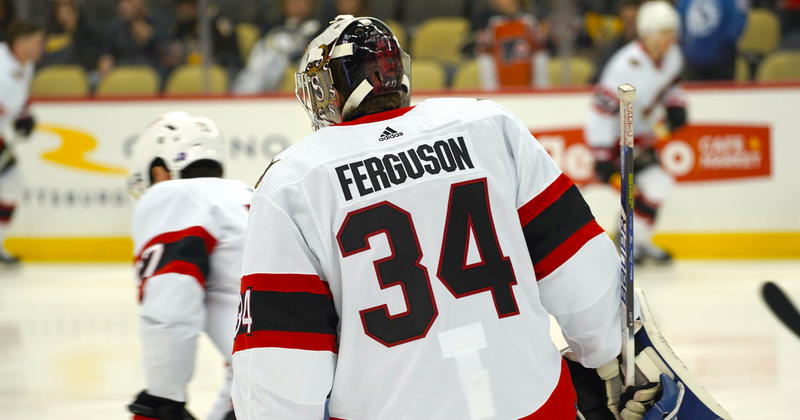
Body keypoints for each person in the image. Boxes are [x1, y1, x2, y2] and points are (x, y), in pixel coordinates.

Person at [230, 14, 672, 420]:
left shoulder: (293, 180)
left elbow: (281, 362)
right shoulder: (487, 124)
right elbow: (577, 265)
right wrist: (607, 355)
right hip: (534, 403)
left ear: (327, 92)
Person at [126, 112, 249, 420]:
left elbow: (171, 300)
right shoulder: (251, 194)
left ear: (159, 172)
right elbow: (249, 372)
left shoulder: (171, 196)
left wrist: (163, 396)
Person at [585, 0, 687, 264]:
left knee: (659, 185)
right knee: (642, 189)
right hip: (618, 140)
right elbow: (600, 110)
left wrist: (677, 107)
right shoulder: (626, 65)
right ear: (649, 32)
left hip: (642, 137)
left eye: (672, 31)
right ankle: (628, 242)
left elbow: (671, 85)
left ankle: (635, 241)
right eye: (665, 31)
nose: (671, 37)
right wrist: (601, 154)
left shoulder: (672, 56)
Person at [0, 21, 43, 265]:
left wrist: (24, 116)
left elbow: (19, 97)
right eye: (36, 42)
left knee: (12, 183)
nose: (41, 47)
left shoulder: (27, 67)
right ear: (20, 43)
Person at [232, 0, 320, 93]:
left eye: (301, 2)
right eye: (292, 2)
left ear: (311, 4)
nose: (297, 6)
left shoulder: (319, 30)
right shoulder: (272, 27)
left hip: (298, 69)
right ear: (283, 5)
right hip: (264, 70)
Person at [473, 0, 550, 89]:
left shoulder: (530, 22)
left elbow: (540, 56)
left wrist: (540, 88)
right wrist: (491, 90)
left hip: (528, 89)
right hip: (501, 89)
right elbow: (485, 59)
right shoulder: (490, 24)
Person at [165, 0, 241, 77]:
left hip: (220, 70)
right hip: (190, 70)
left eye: (182, 6)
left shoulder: (217, 23)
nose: (179, 10)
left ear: (193, 6)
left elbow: (231, 57)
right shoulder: (184, 25)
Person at [97, 0, 170, 80]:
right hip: (121, 72)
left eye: (129, 1)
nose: (123, 5)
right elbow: (107, 55)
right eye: (121, 2)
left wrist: (137, 21)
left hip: (150, 71)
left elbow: (162, 47)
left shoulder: (159, 20)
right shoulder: (115, 27)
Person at [677, 0, 748, 80]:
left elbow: (736, 24)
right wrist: (688, 49)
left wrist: (721, 47)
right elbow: (680, 20)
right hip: (692, 62)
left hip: (722, 62)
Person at [40, 0, 105, 71]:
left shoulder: (88, 30)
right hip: (55, 71)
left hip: (82, 71)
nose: (66, 11)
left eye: (69, 6)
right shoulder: (48, 31)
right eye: (62, 6)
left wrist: (72, 29)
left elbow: (89, 55)